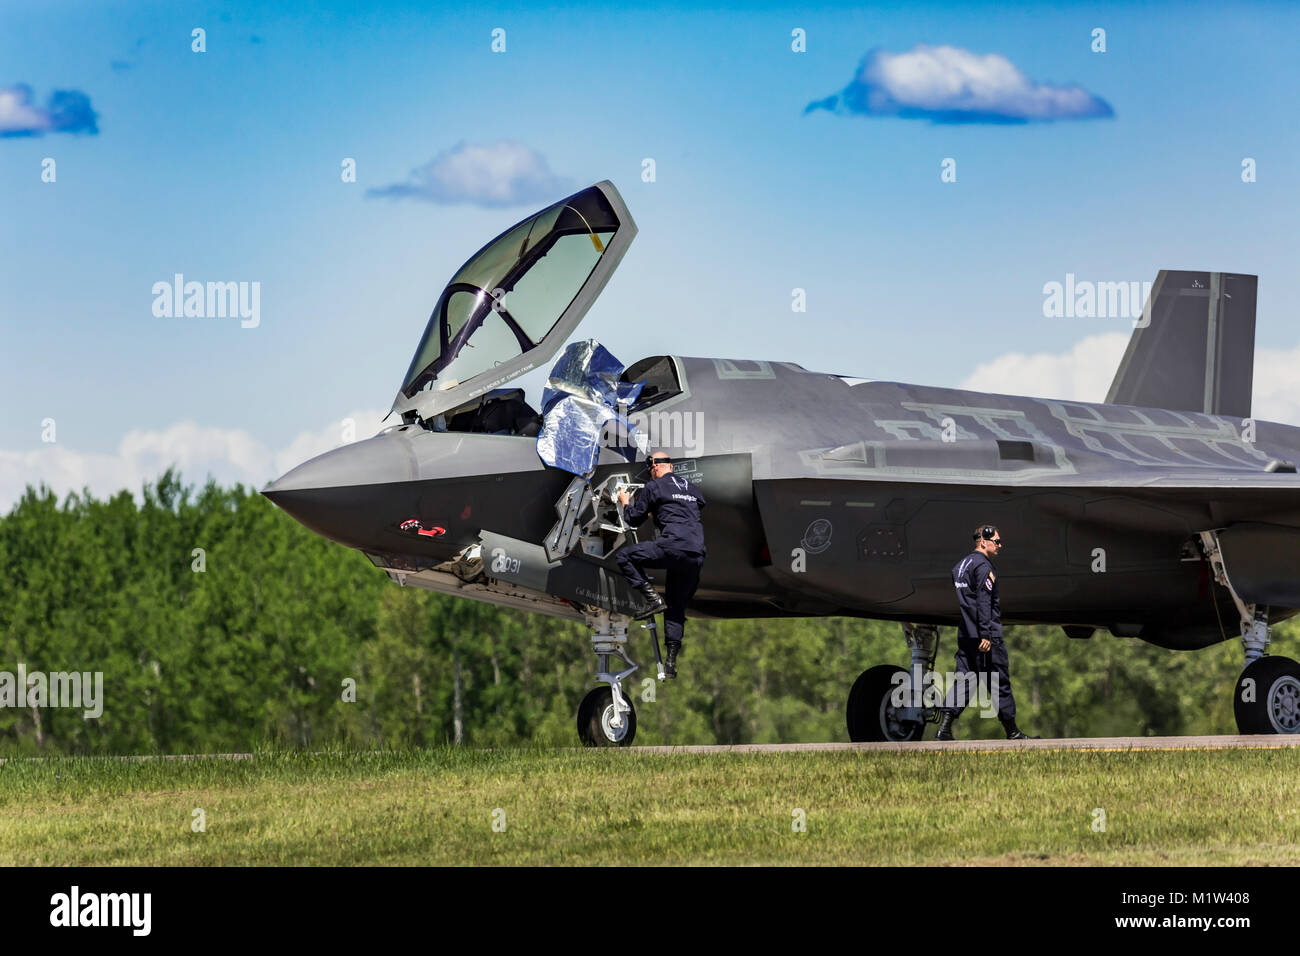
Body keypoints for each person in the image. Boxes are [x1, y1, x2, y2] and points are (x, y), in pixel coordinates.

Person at [936, 524, 1032, 741]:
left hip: (966, 633)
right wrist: (987, 634)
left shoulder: (960, 566)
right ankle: (1012, 731)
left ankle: (944, 728)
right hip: (985, 635)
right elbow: (983, 601)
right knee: (999, 681)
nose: (1000, 545)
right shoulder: (982, 566)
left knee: (965, 679)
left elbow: (965, 600)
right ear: (983, 541)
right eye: (996, 541)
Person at [615, 452, 706, 679]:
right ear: (671, 467)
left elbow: (633, 519)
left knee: (625, 557)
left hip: (672, 547)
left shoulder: (653, 487)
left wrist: (626, 502)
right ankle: (671, 662)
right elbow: (697, 505)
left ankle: (652, 599)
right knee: (676, 607)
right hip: (696, 553)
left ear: (655, 466)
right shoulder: (692, 489)